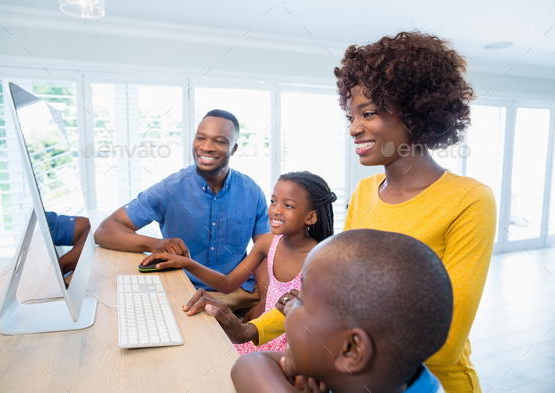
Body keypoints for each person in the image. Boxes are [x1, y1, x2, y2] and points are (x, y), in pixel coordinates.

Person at [185, 32, 497, 392]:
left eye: (368, 113)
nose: (353, 128)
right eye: (350, 115)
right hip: (346, 374)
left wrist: (313, 338)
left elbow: (445, 341)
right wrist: (251, 330)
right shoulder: (366, 192)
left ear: (415, 111)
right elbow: (320, 293)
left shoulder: (469, 200)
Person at [231, 229, 451, 393]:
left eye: (302, 301)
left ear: (350, 350)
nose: (287, 305)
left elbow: (249, 369)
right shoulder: (389, 374)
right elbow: (249, 364)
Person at [94, 109, 270, 313]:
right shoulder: (170, 188)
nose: (206, 147)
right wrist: (156, 244)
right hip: (185, 291)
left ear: (234, 148)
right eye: (200, 138)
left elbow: (266, 252)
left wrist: (265, 301)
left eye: (219, 141)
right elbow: (105, 230)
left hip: (239, 292)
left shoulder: (252, 192)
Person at [141, 171, 336, 354]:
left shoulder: (319, 259)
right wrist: (185, 263)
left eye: (288, 205)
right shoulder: (267, 243)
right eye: (273, 201)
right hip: (261, 335)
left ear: (311, 217)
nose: (275, 210)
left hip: (295, 349)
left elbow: (315, 321)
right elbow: (227, 284)